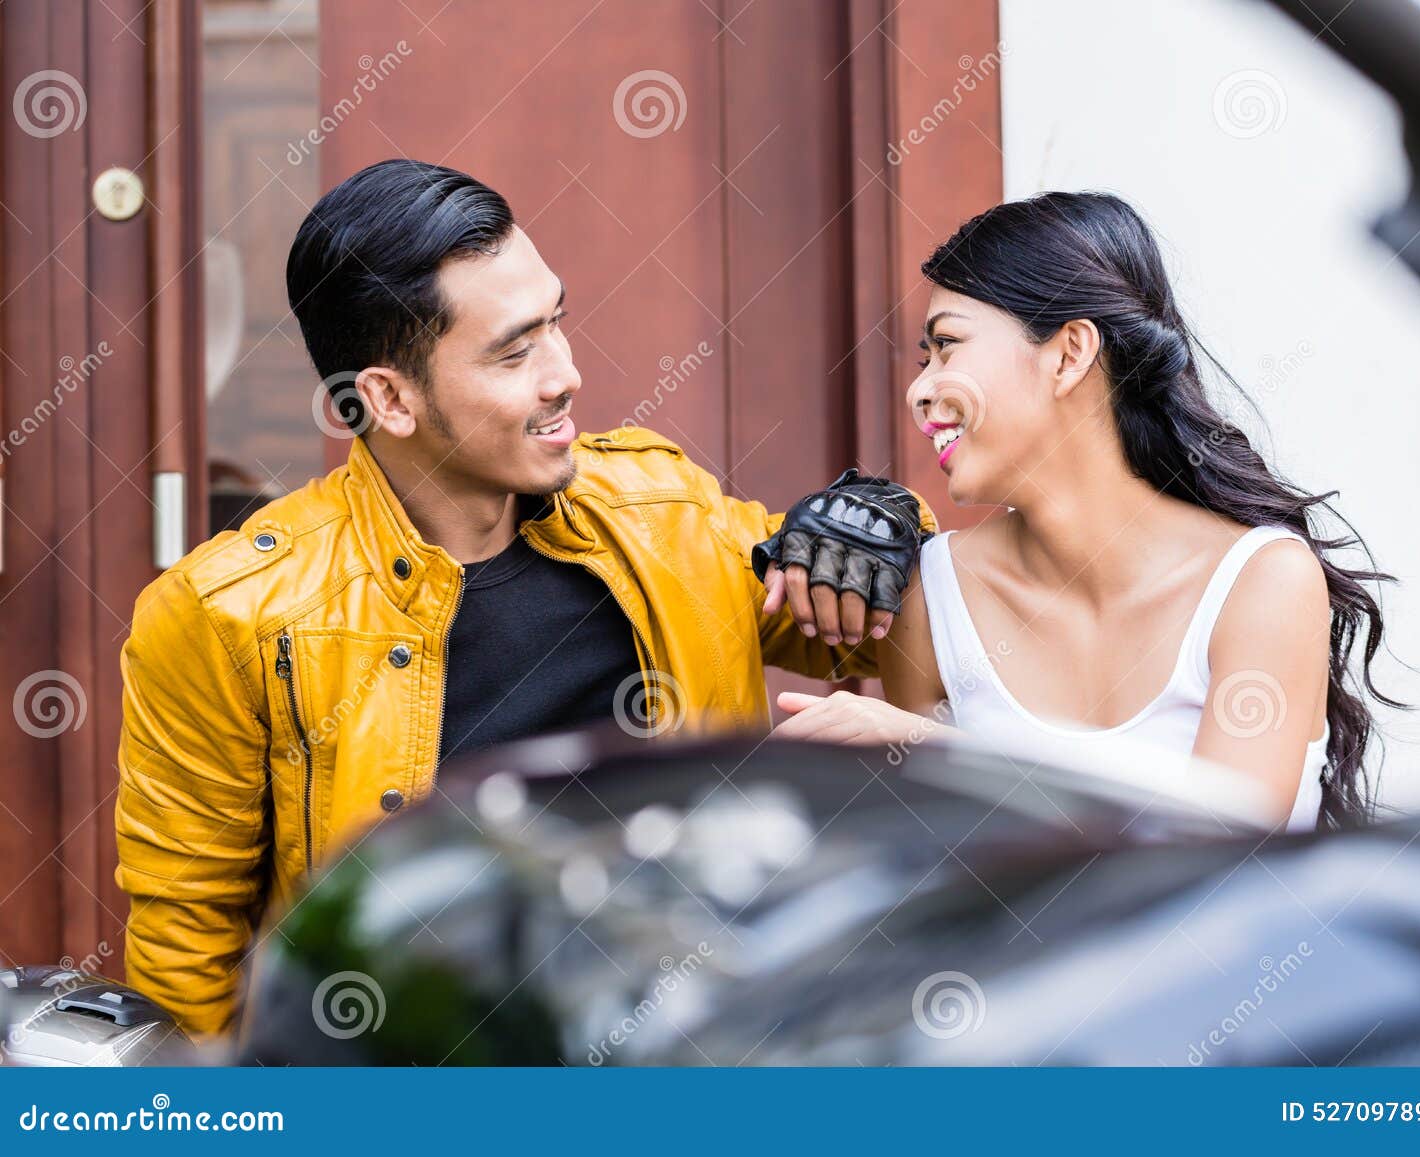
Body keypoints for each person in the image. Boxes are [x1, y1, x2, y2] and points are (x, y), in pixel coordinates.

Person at [113, 160, 933, 1040]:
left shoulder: (663, 517)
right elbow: (186, 966)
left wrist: (880, 531)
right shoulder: (228, 614)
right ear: (388, 397)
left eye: (556, 323)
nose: (565, 375)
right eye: (515, 350)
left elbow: (876, 632)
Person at [773, 192, 1399, 832]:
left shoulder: (1261, 581)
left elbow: (1221, 852)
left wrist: (936, 754)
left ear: (1069, 354)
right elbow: (949, 871)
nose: (920, 389)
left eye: (948, 346)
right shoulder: (930, 595)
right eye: (923, 358)